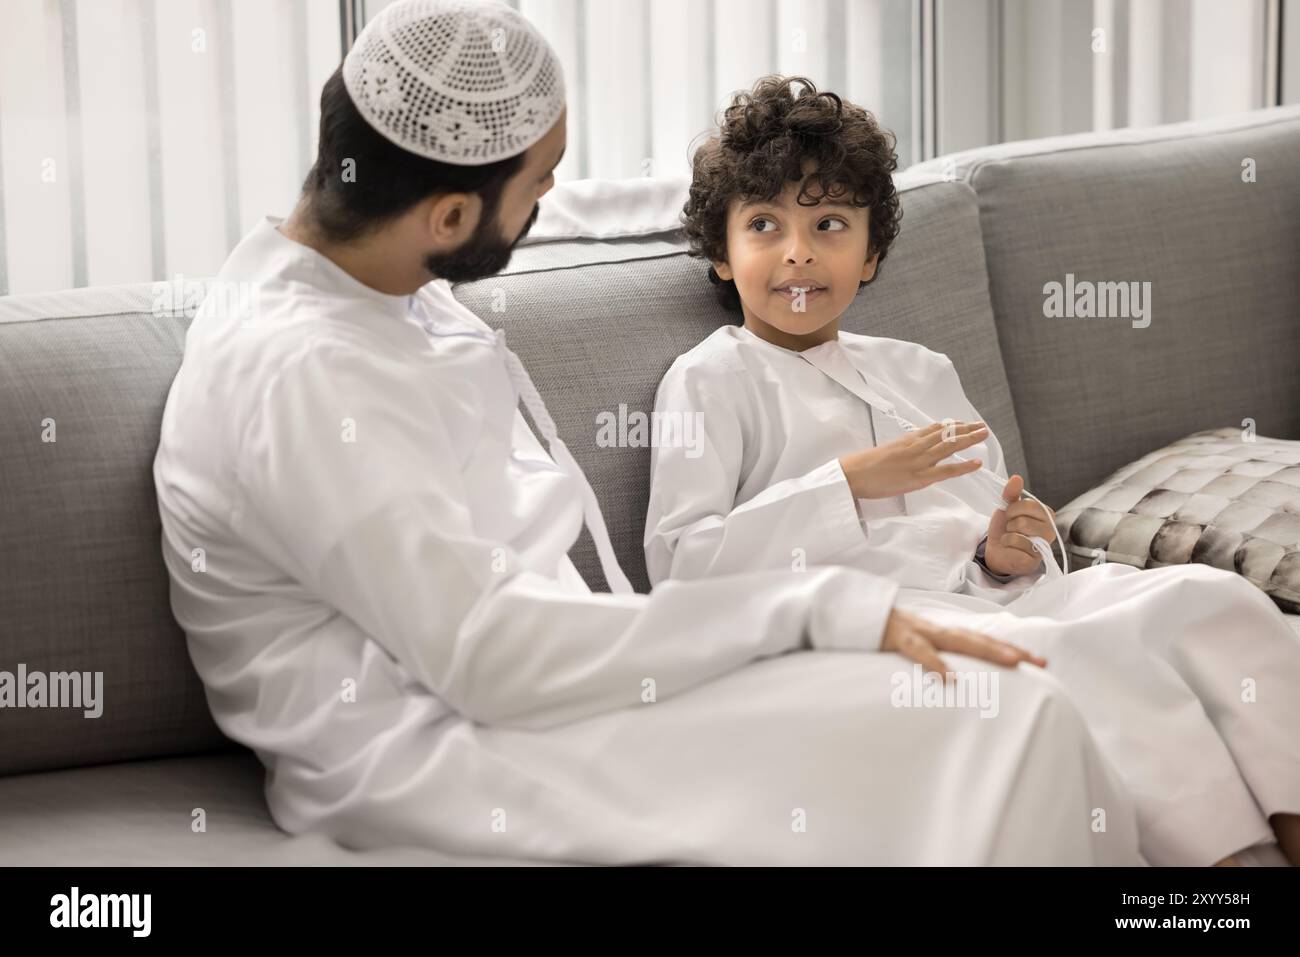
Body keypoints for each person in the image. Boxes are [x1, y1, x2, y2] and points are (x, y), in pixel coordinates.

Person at [153, 0, 1143, 865]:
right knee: (1003, 723)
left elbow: (603, 209)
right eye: (538, 187)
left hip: (560, 678)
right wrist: (813, 610)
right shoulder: (303, 378)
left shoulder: (370, 264)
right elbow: (489, 656)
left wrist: (752, 216)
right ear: (450, 214)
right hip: (448, 744)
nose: (548, 208)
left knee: (1009, 704)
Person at [644, 73, 1300, 867]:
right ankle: (1227, 869)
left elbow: (995, 535)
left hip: (1003, 605)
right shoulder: (710, 380)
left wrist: (1003, 555)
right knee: (1087, 661)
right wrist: (849, 484)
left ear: (872, 252)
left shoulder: (920, 370)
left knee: (1213, 599)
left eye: (828, 223)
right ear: (721, 252)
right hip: (869, 630)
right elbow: (681, 566)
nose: (798, 252)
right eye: (763, 225)